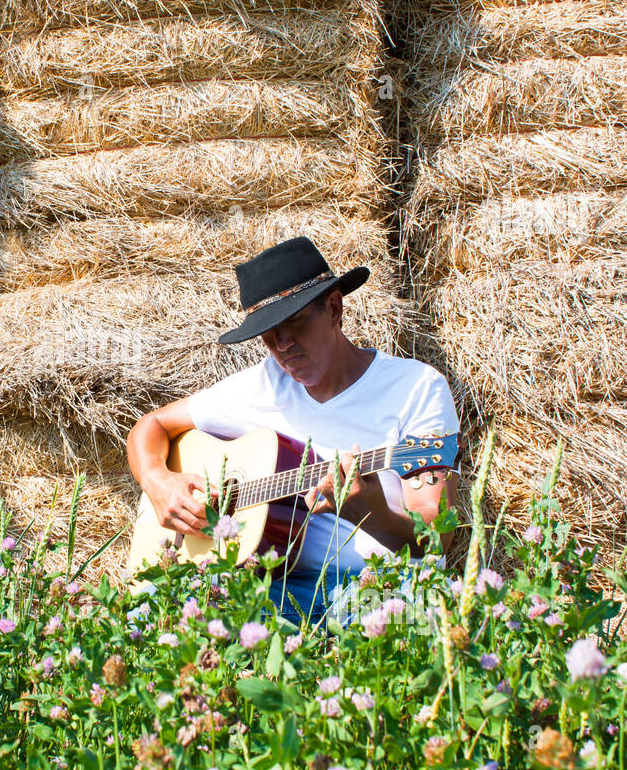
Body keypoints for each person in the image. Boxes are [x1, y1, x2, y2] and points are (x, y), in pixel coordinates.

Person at [125, 236, 459, 624]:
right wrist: (159, 481)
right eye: (268, 333)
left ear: (333, 308)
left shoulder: (415, 388)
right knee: (149, 610)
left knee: (421, 613)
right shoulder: (261, 387)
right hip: (268, 583)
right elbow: (151, 426)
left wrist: (370, 512)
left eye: (295, 322)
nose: (282, 345)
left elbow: (438, 537)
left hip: (374, 587)